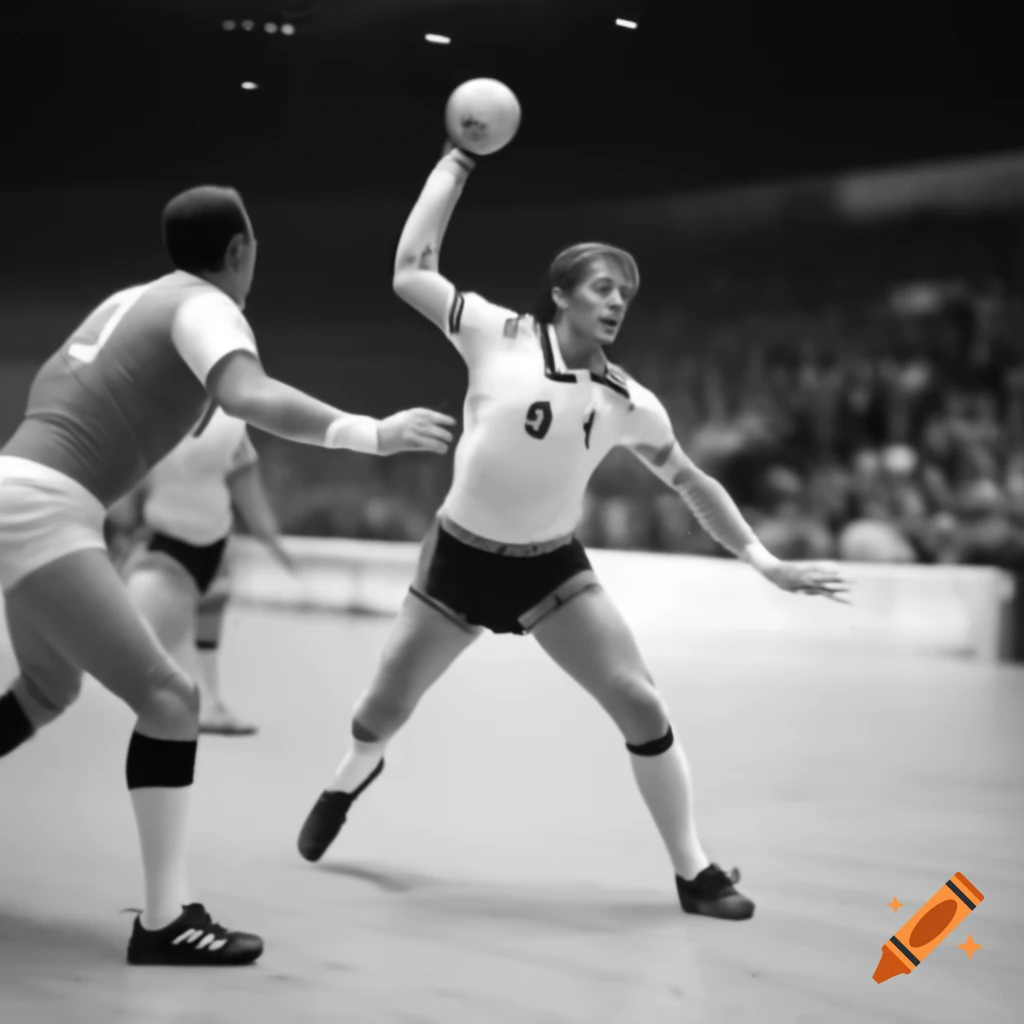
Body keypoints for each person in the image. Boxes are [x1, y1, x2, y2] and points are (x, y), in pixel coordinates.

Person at [297, 146, 849, 920]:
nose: (617, 300)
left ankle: (695, 873)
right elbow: (411, 268)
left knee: (641, 704)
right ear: (561, 296)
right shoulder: (497, 333)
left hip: (551, 570)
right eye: (601, 287)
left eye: (625, 292)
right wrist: (456, 162)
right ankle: (351, 775)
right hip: (457, 563)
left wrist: (765, 561)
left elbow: (691, 480)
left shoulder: (629, 400)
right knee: (378, 713)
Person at [0, 185, 455, 965]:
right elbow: (250, 396)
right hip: (45, 509)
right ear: (240, 250)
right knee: (172, 702)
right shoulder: (207, 307)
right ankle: (166, 920)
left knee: (48, 687)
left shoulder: (129, 300)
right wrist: (371, 433)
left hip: (21, 487)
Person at [112, 406, 293, 736]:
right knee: (184, 635)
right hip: (197, 551)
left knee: (190, 634)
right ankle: (205, 705)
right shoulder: (228, 426)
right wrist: (278, 548)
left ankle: (208, 704)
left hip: (180, 551)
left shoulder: (147, 423)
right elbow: (253, 503)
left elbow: (123, 505)